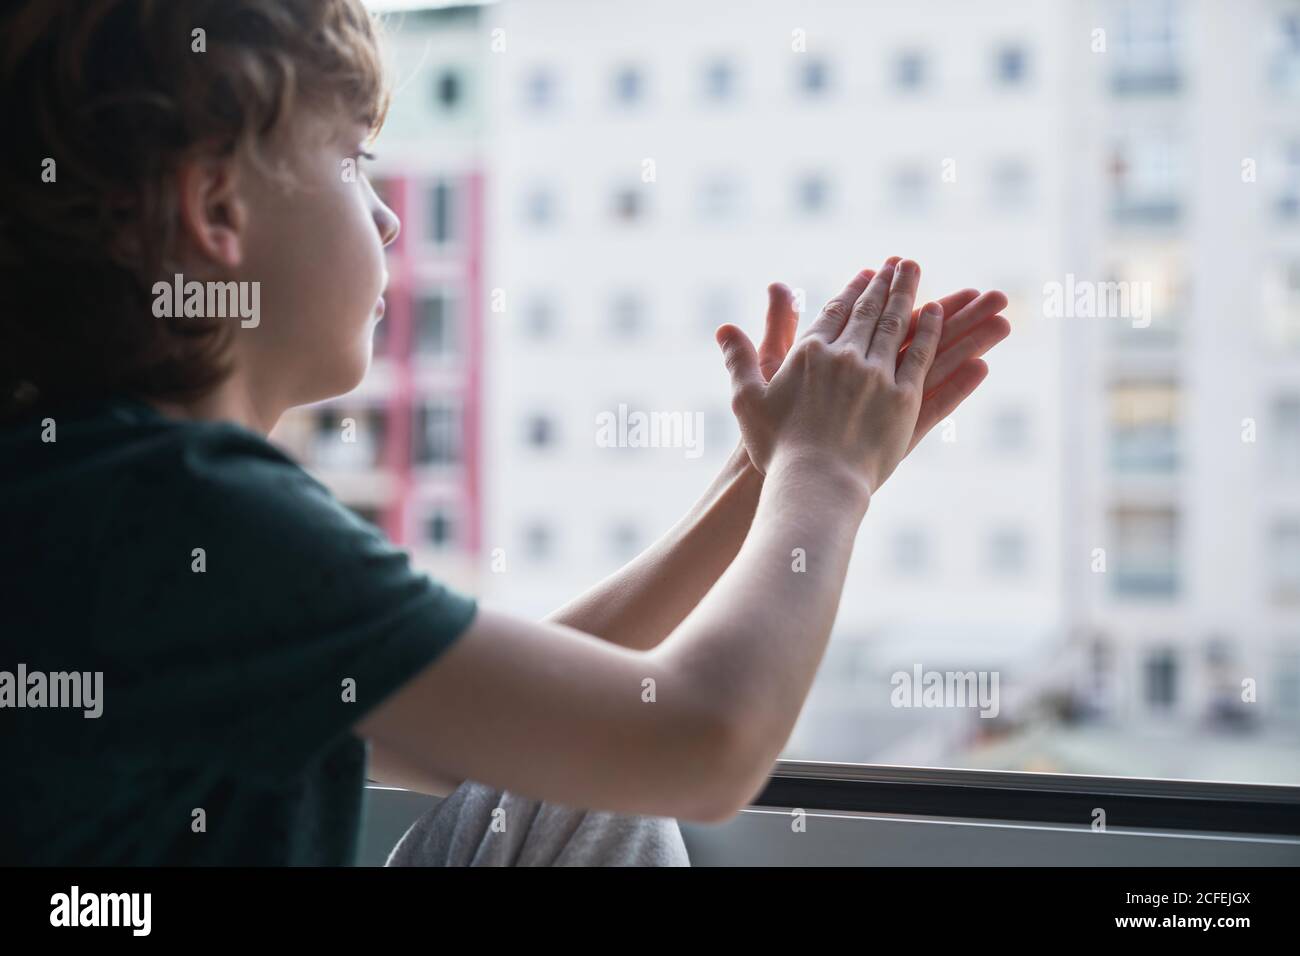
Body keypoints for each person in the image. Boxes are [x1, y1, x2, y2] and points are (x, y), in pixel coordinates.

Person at [0, 0, 1011, 866]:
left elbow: (519, 718)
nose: (391, 221)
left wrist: (760, 479)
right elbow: (704, 737)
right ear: (218, 207)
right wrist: (828, 476)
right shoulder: (192, 516)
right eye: (356, 159)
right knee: (605, 781)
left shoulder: (104, 488)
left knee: (574, 777)